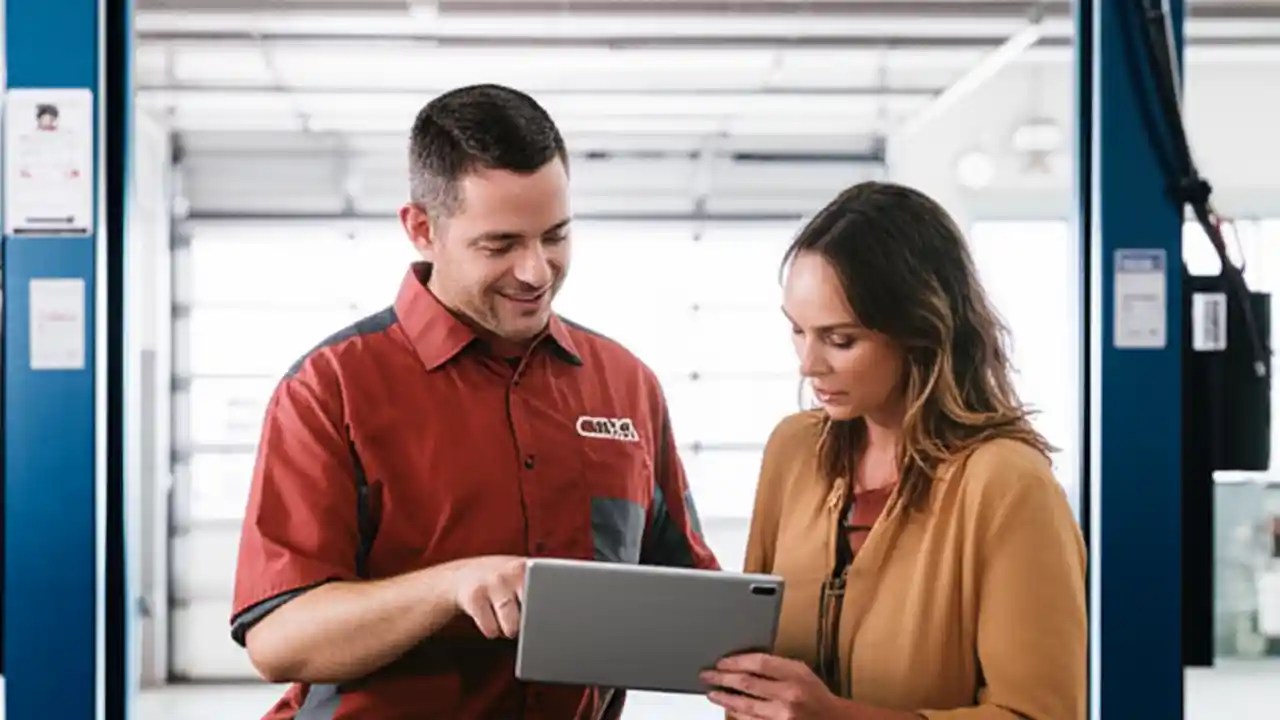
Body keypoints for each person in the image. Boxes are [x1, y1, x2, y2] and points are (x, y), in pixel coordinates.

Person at [229, 83, 719, 720]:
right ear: (422, 230)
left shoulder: (627, 385)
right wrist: (450, 588)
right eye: (500, 245)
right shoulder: (330, 389)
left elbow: (694, 604)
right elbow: (278, 640)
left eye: (556, 236)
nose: (536, 271)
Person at [700, 182, 1086, 720]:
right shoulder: (793, 451)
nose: (808, 365)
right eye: (797, 331)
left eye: (840, 340)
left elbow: (1040, 716)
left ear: (919, 332)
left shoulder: (1009, 485)